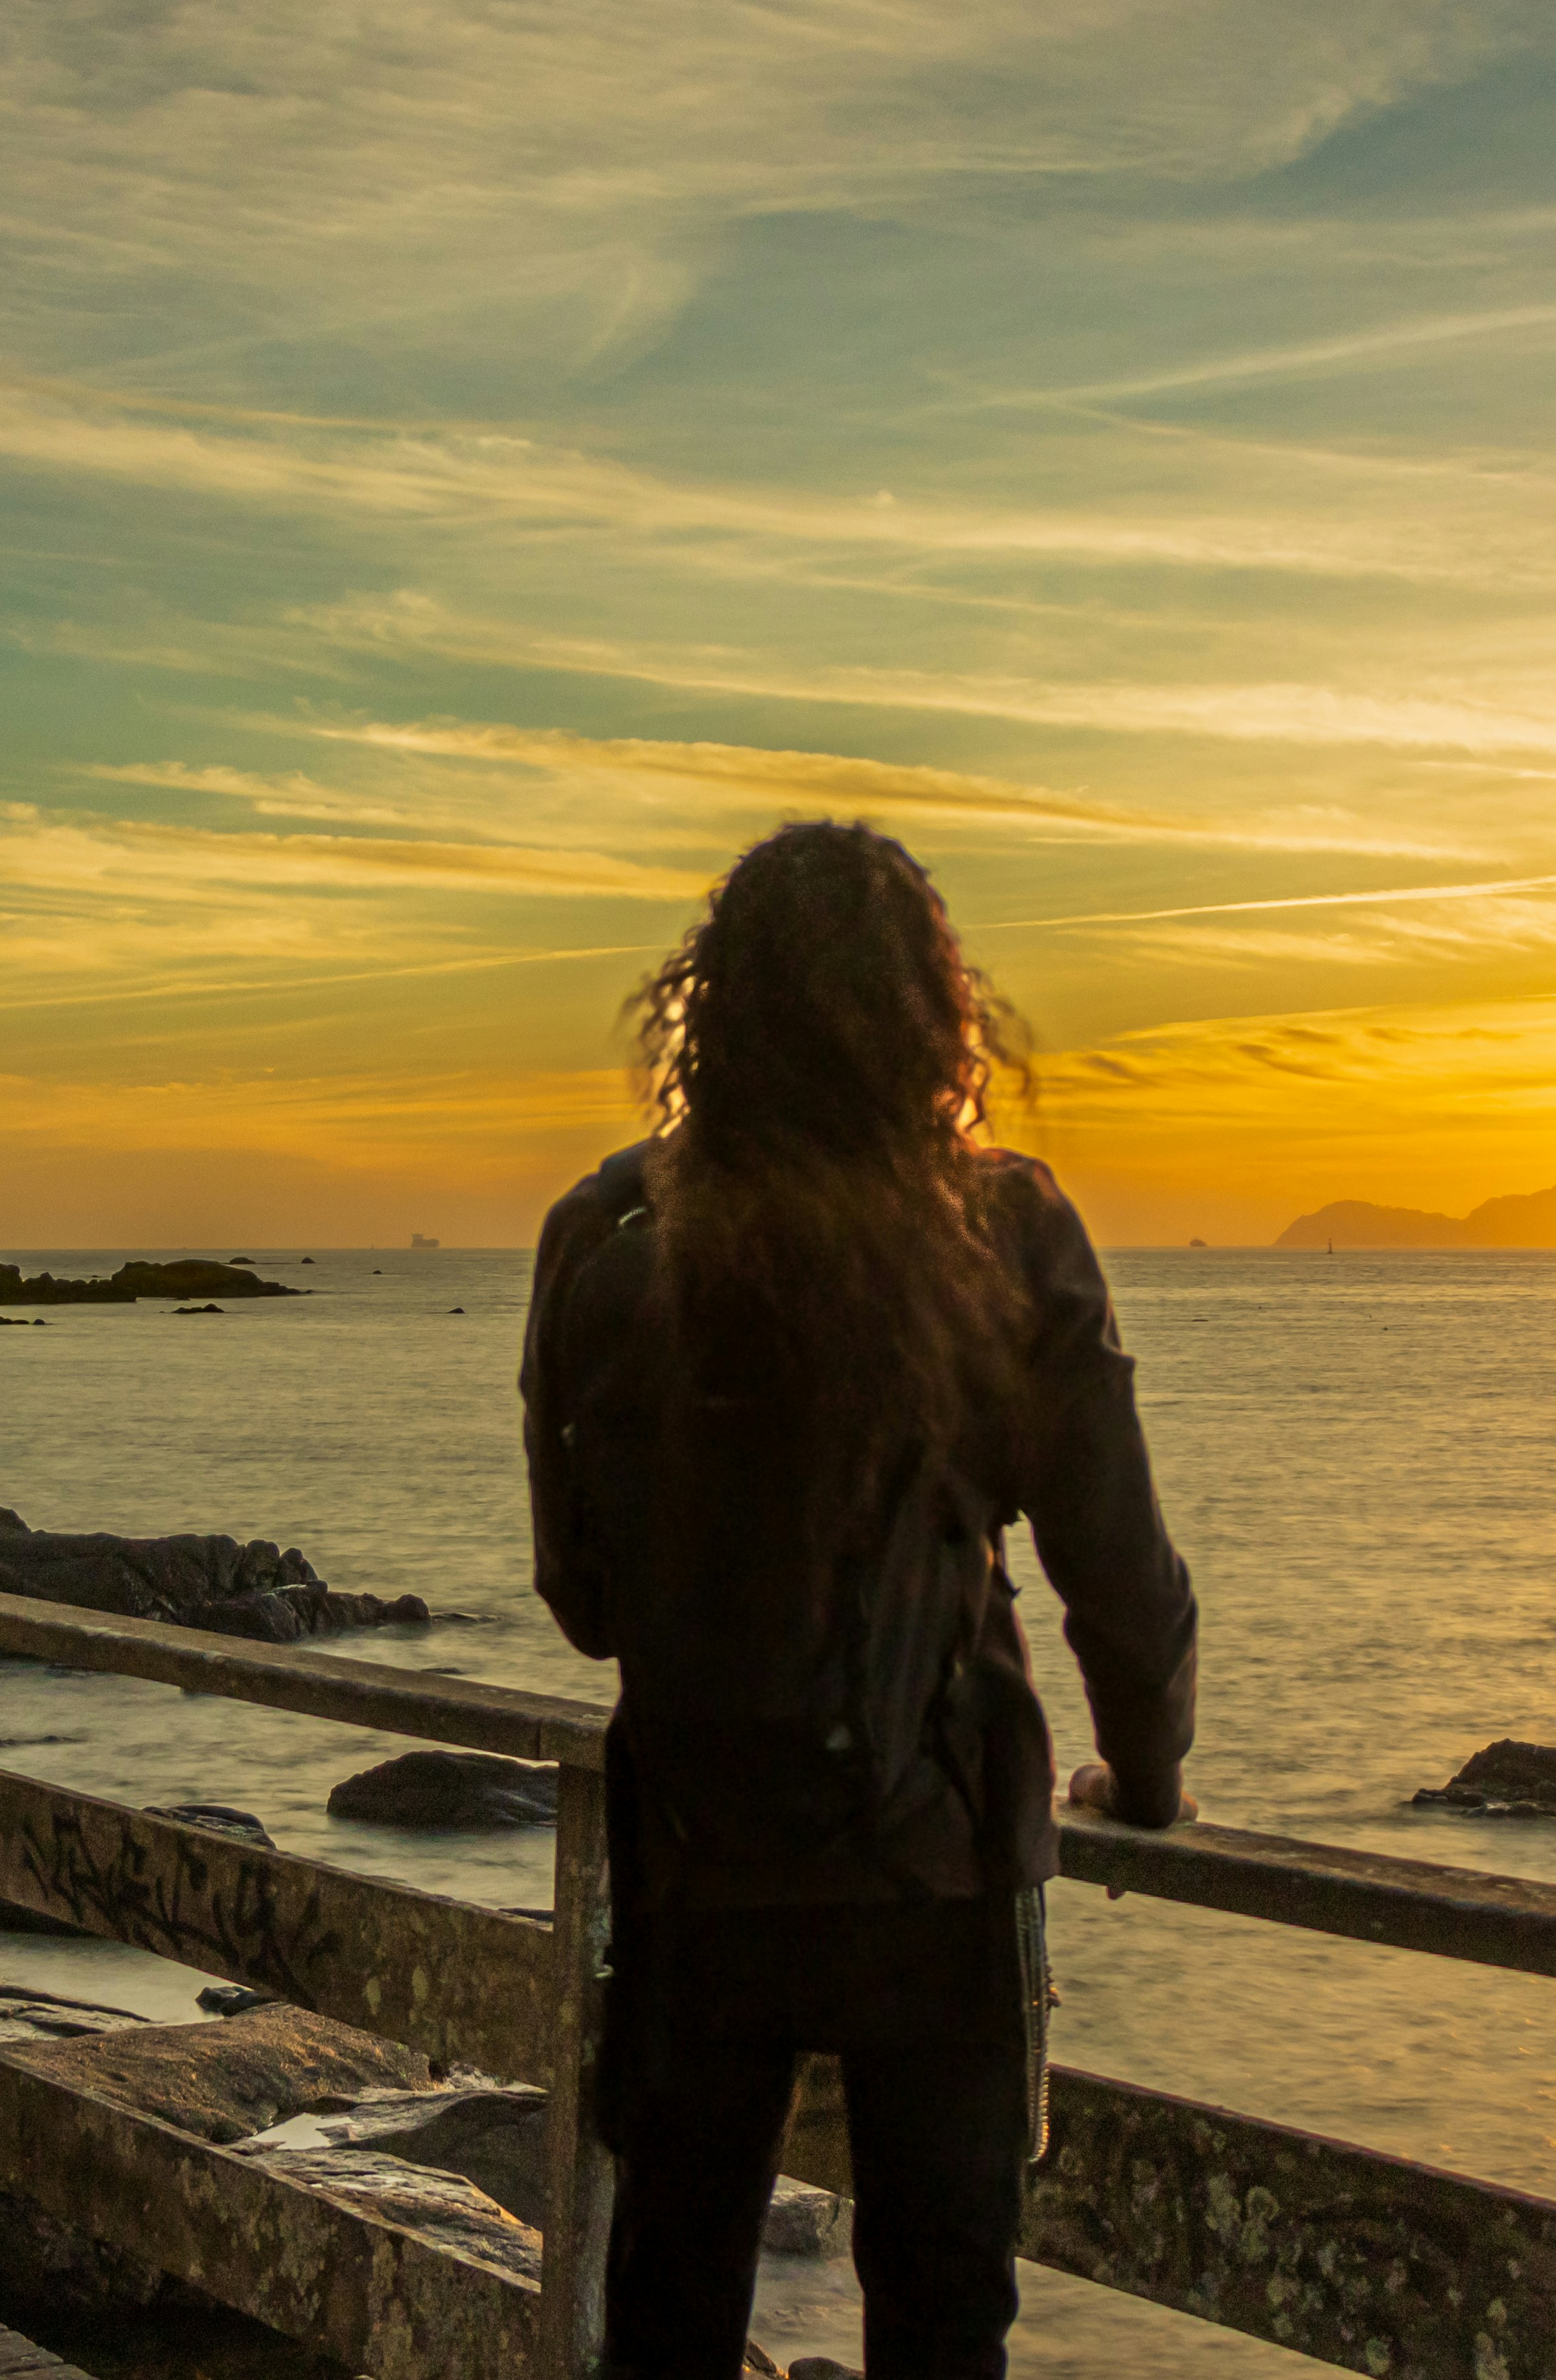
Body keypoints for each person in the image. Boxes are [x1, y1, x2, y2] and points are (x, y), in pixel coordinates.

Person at [521, 820, 1199, 2379]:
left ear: (714, 1007)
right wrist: (1142, 1776)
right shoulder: (1005, 1225)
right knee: (942, 2304)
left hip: (694, 1859)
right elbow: (1120, 1578)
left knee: (672, 2299)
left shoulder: (603, 1229)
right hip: (937, 1867)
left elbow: (583, 1601)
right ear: (934, 1015)